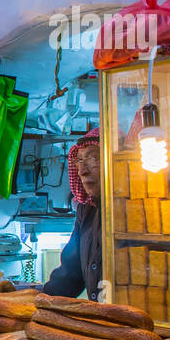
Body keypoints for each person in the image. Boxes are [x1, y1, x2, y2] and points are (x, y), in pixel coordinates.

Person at [44, 127, 103, 300]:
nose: (82, 171)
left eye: (93, 159)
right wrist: (42, 301)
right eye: (79, 161)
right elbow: (72, 271)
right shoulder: (87, 210)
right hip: (102, 319)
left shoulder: (130, 209)